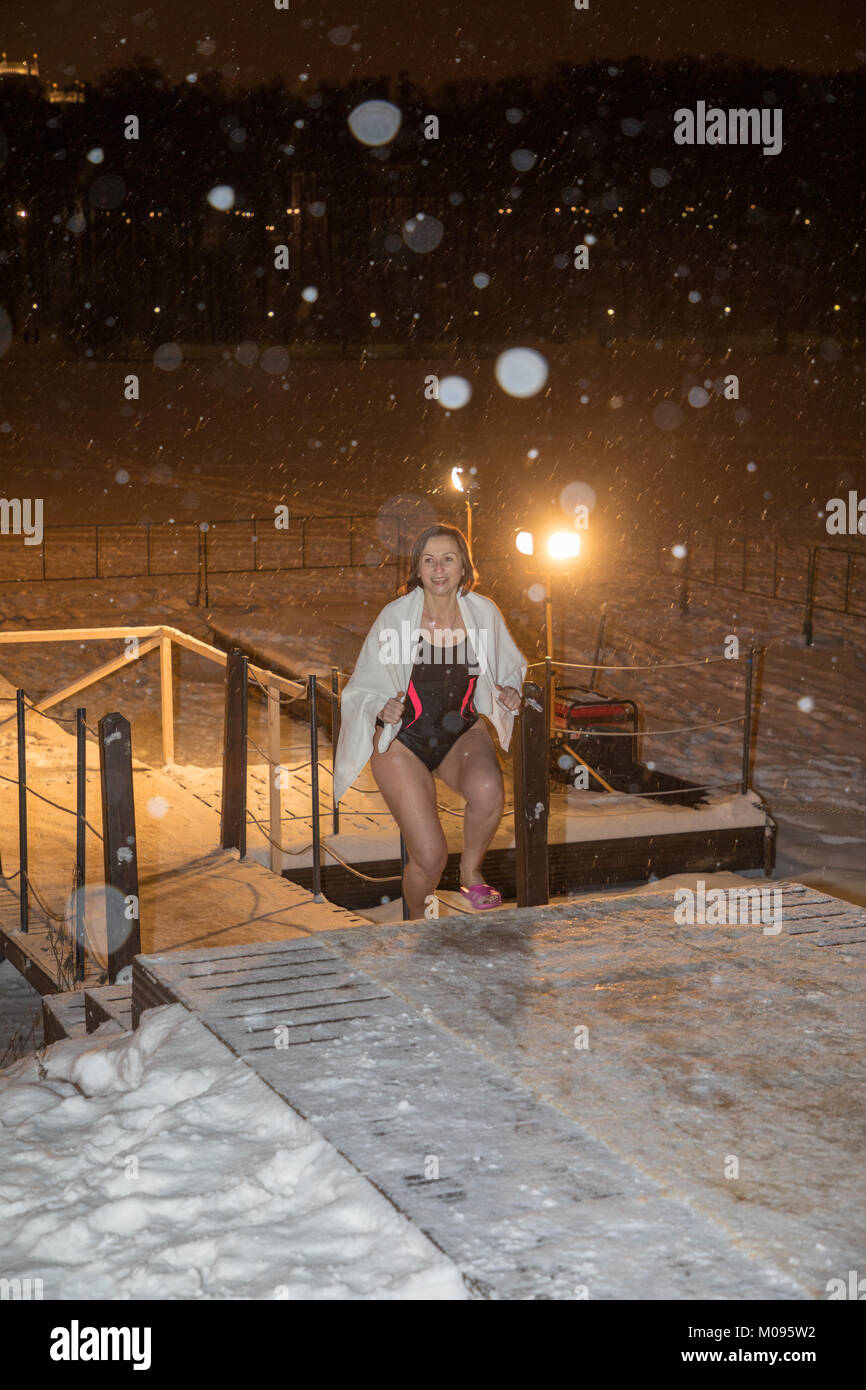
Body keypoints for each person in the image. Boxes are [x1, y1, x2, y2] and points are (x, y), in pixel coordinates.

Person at [333, 523, 527, 918]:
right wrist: (380, 707)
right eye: (429, 560)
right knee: (430, 857)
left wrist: (509, 691)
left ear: (463, 568)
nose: (439, 569)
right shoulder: (396, 619)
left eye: (448, 559)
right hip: (403, 742)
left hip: (462, 734)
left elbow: (508, 670)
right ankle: (418, 921)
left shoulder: (482, 612)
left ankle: (471, 870)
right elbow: (363, 687)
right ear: (417, 569)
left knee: (489, 789)